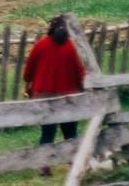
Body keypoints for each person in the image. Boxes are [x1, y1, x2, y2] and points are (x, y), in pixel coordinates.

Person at [22, 14, 86, 145]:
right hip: (69, 97)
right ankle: (74, 161)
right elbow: (81, 72)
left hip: (44, 96)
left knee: (47, 133)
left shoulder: (40, 45)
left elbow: (29, 71)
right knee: (70, 133)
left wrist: (28, 83)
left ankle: (45, 162)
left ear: (51, 27)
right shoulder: (72, 47)